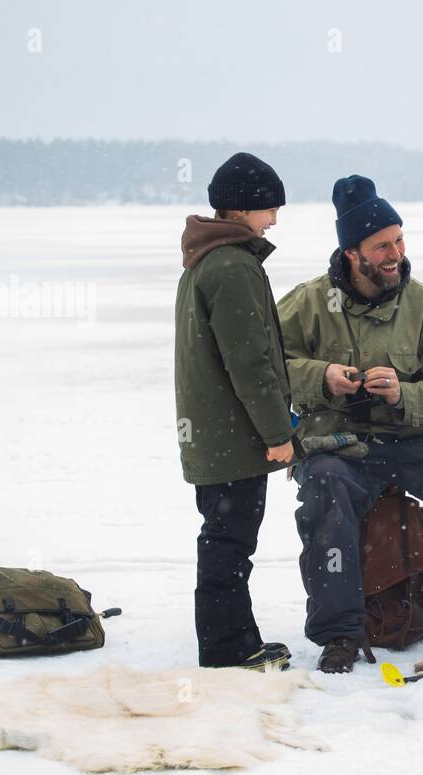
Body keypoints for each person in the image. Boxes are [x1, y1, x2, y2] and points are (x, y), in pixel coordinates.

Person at [277, 175, 423, 673]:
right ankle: (341, 632)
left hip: (413, 443)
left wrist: (404, 394)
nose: (395, 254)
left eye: (399, 240)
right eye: (381, 245)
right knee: (324, 487)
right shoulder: (307, 304)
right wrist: (323, 378)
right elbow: (267, 372)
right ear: (351, 253)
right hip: (339, 447)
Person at [174, 152, 299, 671]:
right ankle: (228, 649)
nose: (274, 219)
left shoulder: (210, 261)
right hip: (233, 438)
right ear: (243, 208)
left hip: (215, 434)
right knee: (229, 542)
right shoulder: (232, 267)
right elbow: (250, 364)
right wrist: (278, 432)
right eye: (270, 208)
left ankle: (235, 641)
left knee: (224, 539)